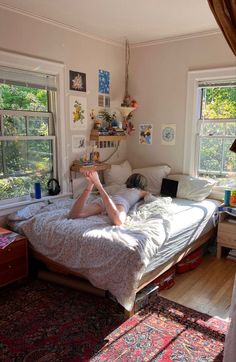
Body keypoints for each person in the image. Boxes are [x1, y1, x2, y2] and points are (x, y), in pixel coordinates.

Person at [68, 171, 149, 225]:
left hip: (109, 199)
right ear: (142, 185)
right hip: (120, 201)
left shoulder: (122, 186)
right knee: (119, 221)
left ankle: (90, 185)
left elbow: (109, 189)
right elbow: (150, 197)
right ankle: (98, 185)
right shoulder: (141, 192)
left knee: (74, 215)